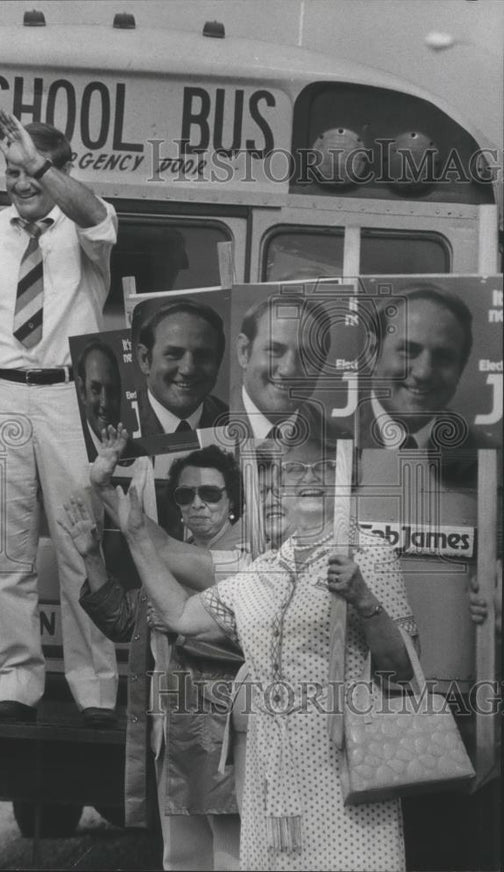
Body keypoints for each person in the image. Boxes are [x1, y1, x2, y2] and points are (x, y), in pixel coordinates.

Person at [115, 437, 417, 871]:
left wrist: (364, 599)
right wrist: (137, 539)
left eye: (324, 467)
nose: (309, 477)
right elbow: (180, 614)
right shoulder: (262, 571)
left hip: (345, 769)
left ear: (348, 481)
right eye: (295, 469)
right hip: (269, 775)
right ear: (279, 487)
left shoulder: (371, 556)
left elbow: (402, 671)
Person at [0, 110, 118, 727]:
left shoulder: (86, 226)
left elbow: (97, 216)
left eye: (30, 171)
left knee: (80, 544)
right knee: (6, 550)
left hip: (68, 395)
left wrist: (40, 164)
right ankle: (15, 683)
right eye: (10, 172)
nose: (18, 183)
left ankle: (96, 691)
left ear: (57, 170)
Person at [63, 435, 246, 870]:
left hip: (225, 738)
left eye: (210, 494)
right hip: (172, 734)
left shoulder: (243, 557)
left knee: (232, 859)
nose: (197, 504)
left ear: (233, 503)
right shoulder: (165, 563)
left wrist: (103, 487)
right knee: (181, 860)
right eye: (185, 495)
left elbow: (246, 643)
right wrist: (91, 556)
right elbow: (124, 621)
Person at [359, 283, 493, 450]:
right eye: (408, 351)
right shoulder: (334, 436)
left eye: (443, 357)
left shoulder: (484, 450)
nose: (423, 372)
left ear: (461, 367)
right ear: (372, 352)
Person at [231, 293, 333, 441]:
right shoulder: (209, 421)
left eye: (306, 356)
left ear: (321, 365)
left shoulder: (336, 439)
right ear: (244, 352)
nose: (288, 370)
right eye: (275, 350)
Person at [133, 300, 229, 439]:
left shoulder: (233, 421)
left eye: (202, 355)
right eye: (174, 354)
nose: (188, 369)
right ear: (145, 360)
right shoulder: (121, 423)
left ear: (218, 362)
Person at [76, 339, 122, 462]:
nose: (104, 403)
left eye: (111, 390)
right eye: (95, 390)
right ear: (82, 391)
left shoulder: (136, 451)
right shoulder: (73, 446)